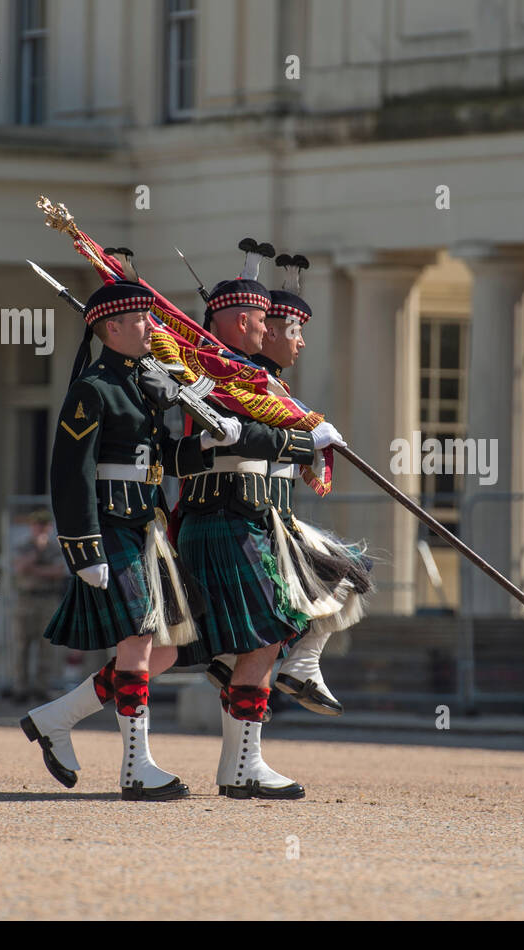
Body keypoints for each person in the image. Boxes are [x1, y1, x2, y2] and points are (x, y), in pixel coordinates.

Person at [20, 280, 239, 800]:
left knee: (168, 646)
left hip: (148, 525)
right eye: (142, 319)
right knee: (140, 639)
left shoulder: (142, 382)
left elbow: (160, 458)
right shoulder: (93, 388)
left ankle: (57, 717)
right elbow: (71, 471)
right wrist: (82, 546)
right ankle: (137, 766)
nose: (152, 327)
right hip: (112, 526)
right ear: (110, 327)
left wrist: (205, 443)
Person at [175, 240, 346, 799]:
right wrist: (303, 438)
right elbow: (234, 432)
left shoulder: (251, 378)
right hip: (228, 514)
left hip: (254, 516)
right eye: (262, 320)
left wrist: (305, 443)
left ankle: (243, 759)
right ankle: (243, 762)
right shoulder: (213, 373)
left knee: (339, 575)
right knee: (263, 635)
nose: (268, 328)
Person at [255, 253, 373, 719]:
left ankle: (302, 663)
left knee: (350, 567)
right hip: (250, 515)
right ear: (269, 331)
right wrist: (306, 439)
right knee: (344, 568)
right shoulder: (246, 381)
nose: (300, 342)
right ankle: (300, 664)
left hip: (276, 515)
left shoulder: (272, 383)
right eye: (293, 331)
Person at [8, 510, 68, 703]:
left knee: (46, 647)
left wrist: (33, 569)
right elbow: (19, 567)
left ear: (49, 528)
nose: (40, 529)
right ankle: (20, 689)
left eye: (44, 525)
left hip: (48, 599)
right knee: (21, 645)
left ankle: (41, 688)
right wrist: (35, 558)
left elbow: (58, 572)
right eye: (37, 525)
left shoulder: (55, 548)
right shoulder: (23, 546)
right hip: (25, 600)